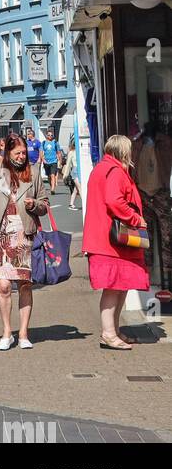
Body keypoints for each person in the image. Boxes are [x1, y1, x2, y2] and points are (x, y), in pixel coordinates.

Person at [0, 133, 48, 350]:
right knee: (3, 285)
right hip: (2, 234)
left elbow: (44, 203)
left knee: (24, 285)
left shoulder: (33, 173)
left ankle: (23, 333)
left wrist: (35, 205)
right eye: (18, 153)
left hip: (24, 235)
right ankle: (7, 332)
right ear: (8, 153)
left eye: (24, 152)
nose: (22, 156)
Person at [84, 135, 150, 350]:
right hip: (112, 243)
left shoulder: (102, 168)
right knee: (113, 289)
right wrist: (135, 218)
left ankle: (114, 331)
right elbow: (114, 200)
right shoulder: (115, 171)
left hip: (106, 240)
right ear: (124, 152)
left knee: (119, 287)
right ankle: (109, 334)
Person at [134, 124, 172, 298]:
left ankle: (168, 280)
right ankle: (145, 279)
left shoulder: (164, 143)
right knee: (145, 240)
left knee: (167, 238)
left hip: (160, 193)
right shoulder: (137, 144)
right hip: (142, 193)